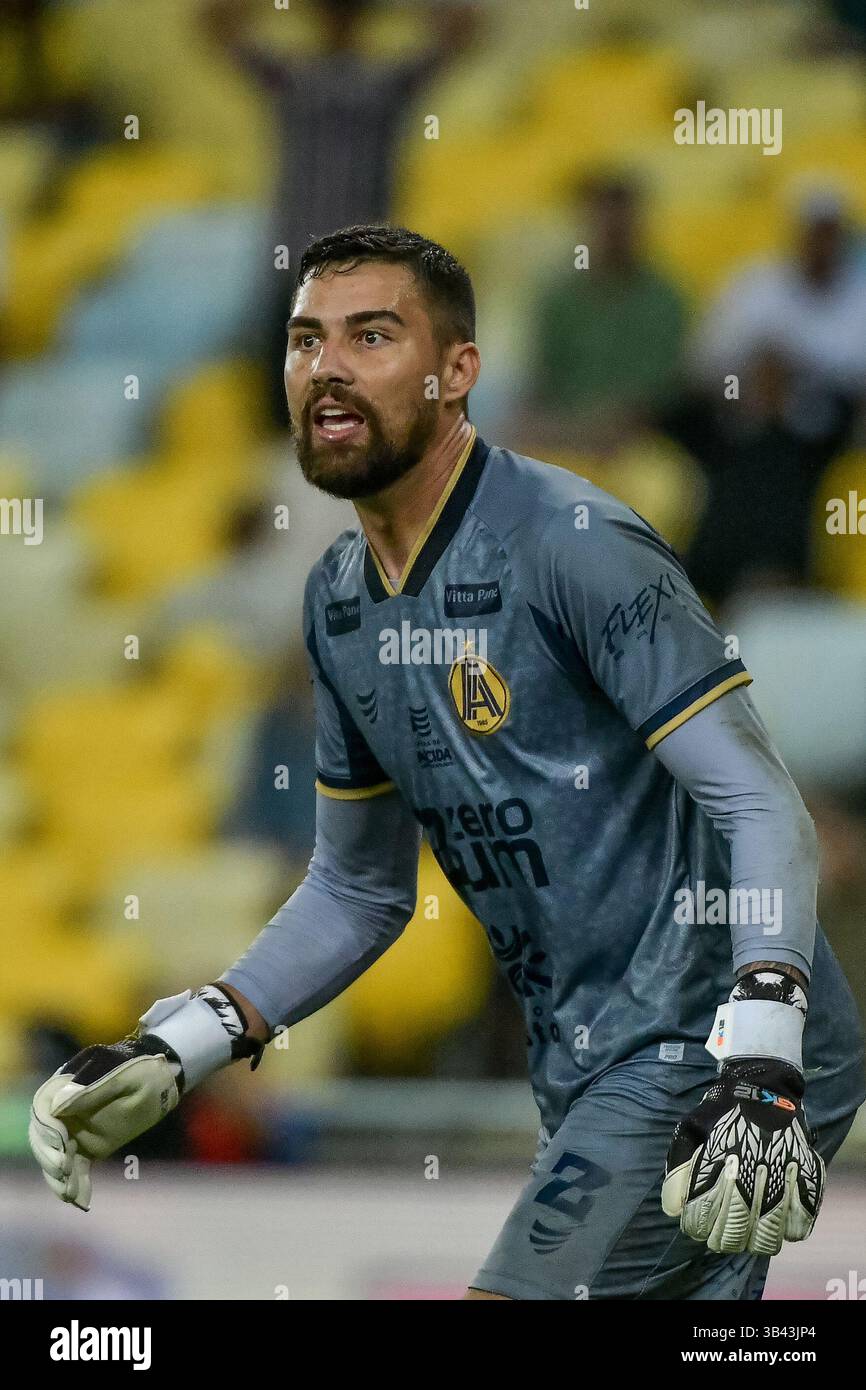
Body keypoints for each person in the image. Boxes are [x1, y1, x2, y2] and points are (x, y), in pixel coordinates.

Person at [30, 226, 865, 1301]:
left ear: (455, 371)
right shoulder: (336, 605)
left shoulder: (571, 542)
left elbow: (759, 802)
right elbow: (357, 887)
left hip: (702, 1045)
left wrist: (759, 1053)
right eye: (304, 341)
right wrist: (187, 1040)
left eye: (370, 336)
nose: (325, 367)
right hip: (591, 1066)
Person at [201, 0, 482, 426]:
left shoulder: (381, 85)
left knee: (355, 411)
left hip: (354, 278)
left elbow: (466, 30)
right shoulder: (298, 80)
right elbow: (213, 25)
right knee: (291, 417)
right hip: (301, 275)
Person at [515, 171, 687, 456]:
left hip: (641, 446)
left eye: (622, 224)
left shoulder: (664, 300)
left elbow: (657, 398)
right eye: (605, 223)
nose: (613, 233)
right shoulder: (559, 298)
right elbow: (539, 386)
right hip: (566, 436)